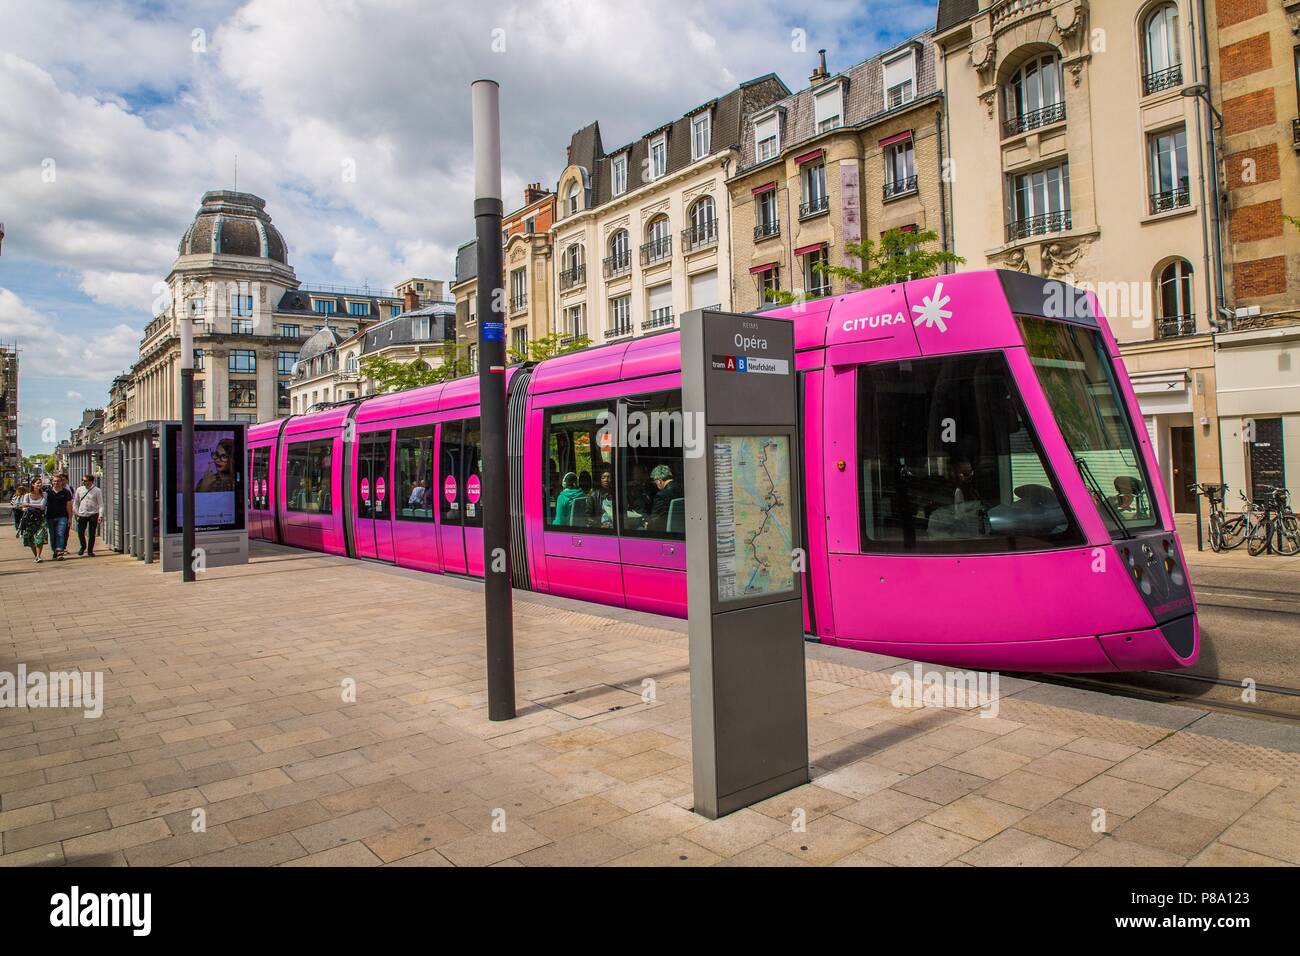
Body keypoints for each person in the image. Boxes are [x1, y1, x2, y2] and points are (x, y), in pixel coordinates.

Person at [18, 477, 49, 562]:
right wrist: (27, 506)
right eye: (37, 483)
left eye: (40, 483)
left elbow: (42, 507)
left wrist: (28, 504)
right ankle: (36, 556)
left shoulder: (44, 494)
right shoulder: (27, 495)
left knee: (40, 537)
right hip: (29, 519)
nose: (39, 485)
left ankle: (39, 556)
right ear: (33, 484)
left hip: (40, 518)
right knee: (30, 538)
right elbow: (23, 508)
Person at [646, 464, 683, 533]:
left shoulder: (661, 495)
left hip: (663, 532)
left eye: (655, 481)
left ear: (659, 481)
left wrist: (646, 523)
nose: (656, 484)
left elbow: (655, 520)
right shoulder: (682, 489)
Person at [45, 473, 74, 560]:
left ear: (61, 482)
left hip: (62, 516)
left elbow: (69, 505)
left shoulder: (66, 492)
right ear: (52, 482)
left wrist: (70, 518)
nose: (56, 483)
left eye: (58, 481)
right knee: (52, 535)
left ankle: (59, 551)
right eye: (54, 481)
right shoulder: (48, 492)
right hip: (50, 517)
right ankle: (54, 550)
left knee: (60, 534)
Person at [75, 473, 103, 557]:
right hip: (82, 513)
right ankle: (83, 546)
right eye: (82, 480)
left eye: (85, 481)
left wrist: (100, 515)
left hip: (93, 514)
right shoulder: (79, 489)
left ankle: (90, 550)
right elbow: (76, 502)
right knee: (80, 532)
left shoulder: (97, 490)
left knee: (92, 533)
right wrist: (76, 513)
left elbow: (101, 504)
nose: (83, 482)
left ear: (91, 481)